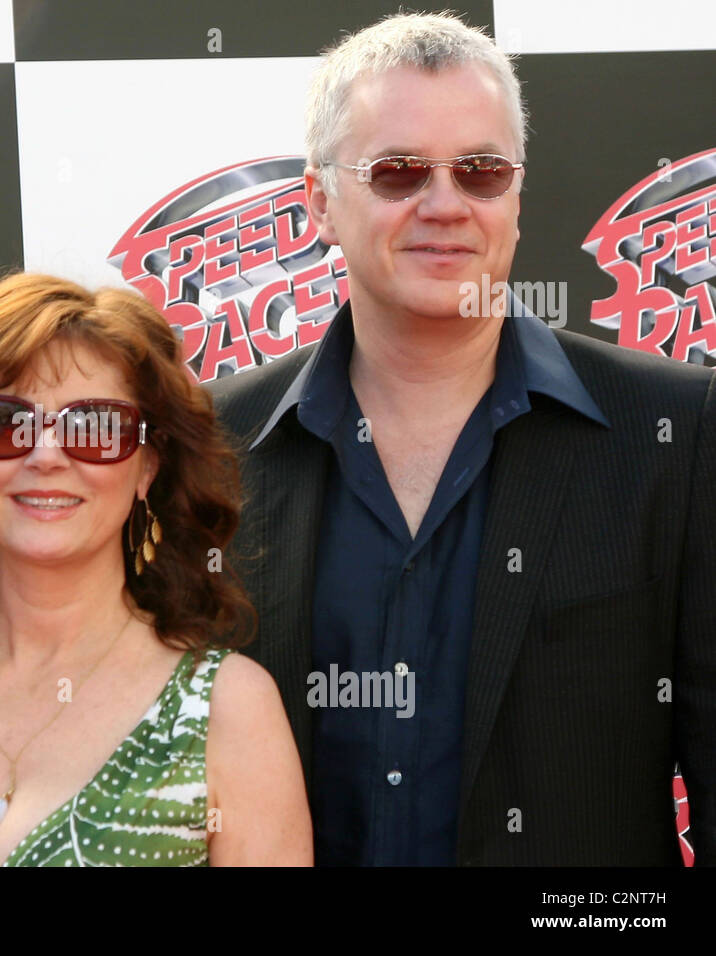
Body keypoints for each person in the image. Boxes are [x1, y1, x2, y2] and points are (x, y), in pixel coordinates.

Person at [208, 11, 715, 866]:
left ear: (515, 197)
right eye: (399, 172)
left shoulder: (675, 431)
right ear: (319, 203)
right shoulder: (213, 443)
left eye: (480, 172)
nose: (443, 205)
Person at [0, 272, 311, 866]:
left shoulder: (226, 710)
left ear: (147, 467)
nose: (45, 456)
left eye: (95, 427)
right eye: (5, 422)